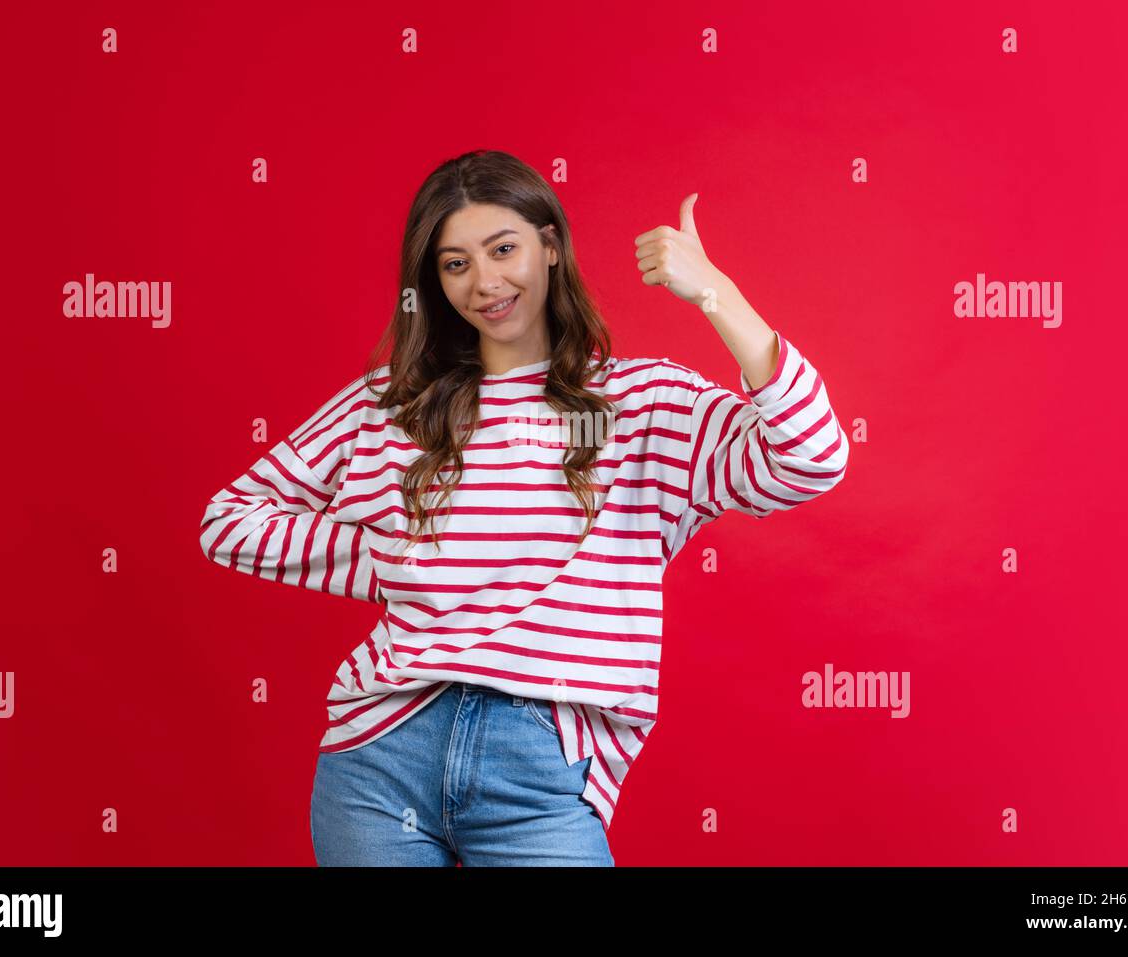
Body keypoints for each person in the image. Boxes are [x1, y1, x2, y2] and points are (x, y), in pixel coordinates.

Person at [199, 149, 849, 866]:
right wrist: (395, 559)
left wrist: (717, 293)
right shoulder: (391, 404)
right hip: (381, 756)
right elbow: (231, 519)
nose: (484, 282)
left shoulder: (640, 405)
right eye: (454, 264)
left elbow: (812, 455)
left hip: (542, 764)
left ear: (548, 244)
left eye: (503, 248)